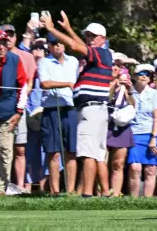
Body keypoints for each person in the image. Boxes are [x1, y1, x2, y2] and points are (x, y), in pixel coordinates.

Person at [43, 12, 114, 197]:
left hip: (91, 110)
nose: (89, 39)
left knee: (87, 153)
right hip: (96, 110)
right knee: (98, 155)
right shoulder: (100, 54)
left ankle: (87, 194)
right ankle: (106, 194)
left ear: (103, 39)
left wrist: (51, 29)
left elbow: (75, 46)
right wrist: (67, 28)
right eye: (87, 35)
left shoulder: (100, 53)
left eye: (93, 36)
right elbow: (80, 45)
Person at [38, 32, 79, 194]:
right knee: (53, 153)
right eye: (54, 43)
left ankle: (70, 192)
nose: (58, 46)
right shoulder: (44, 62)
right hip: (51, 110)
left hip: (70, 109)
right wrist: (67, 84)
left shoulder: (73, 61)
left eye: (60, 42)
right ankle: (55, 192)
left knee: (71, 152)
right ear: (48, 46)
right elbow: (45, 83)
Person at [0, 29, 27, 195]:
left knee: (5, 152)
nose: (1, 47)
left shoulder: (15, 60)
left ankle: (0, 190)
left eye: (4, 43)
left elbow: (23, 87)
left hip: (8, 114)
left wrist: (19, 112)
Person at [0, 24, 36, 188]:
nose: (8, 38)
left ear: (16, 37)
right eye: (4, 35)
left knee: (20, 149)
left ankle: (20, 186)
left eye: (11, 35)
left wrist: (18, 103)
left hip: (18, 107)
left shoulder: (26, 56)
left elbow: (28, 83)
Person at [127, 63, 157, 197]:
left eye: (147, 74)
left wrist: (153, 137)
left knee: (150, 169)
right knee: (134, 167)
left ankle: (147, 201)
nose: (143, 76)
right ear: (135, 76)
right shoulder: (128, 91)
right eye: (140, 74)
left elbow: (156, 117)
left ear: (150, 78)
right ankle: (134, 200)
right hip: (134, 134)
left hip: (150, 134)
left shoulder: (154, 93)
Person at [107, 64, 135, 196]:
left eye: (118, 70)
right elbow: (106, 99)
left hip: (122, 127)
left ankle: (116, 193)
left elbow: (133, 106)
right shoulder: (105, 85)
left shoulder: (126, 88)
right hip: (105, 125)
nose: (115, 72)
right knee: (101, 161)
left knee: (118, 163)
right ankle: (101, 192)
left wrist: (128, 90)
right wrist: (114, 85)